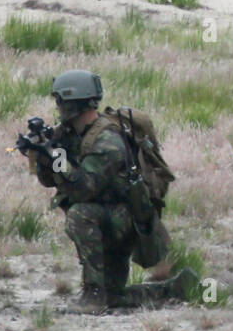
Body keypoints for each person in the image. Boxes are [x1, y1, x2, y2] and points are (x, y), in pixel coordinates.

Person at [21, 69, 195, 314]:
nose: (58, 107)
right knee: (114, 296)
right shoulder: (71, 134)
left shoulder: (107, 141)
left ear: (73, 102)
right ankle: (176, 288)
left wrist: (54, 157)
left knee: (79, 215)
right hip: (109, 216)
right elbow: (50, 181)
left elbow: (82, 189)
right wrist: (43, 155)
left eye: (60, 101)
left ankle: (93, 293)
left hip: (125, 220)